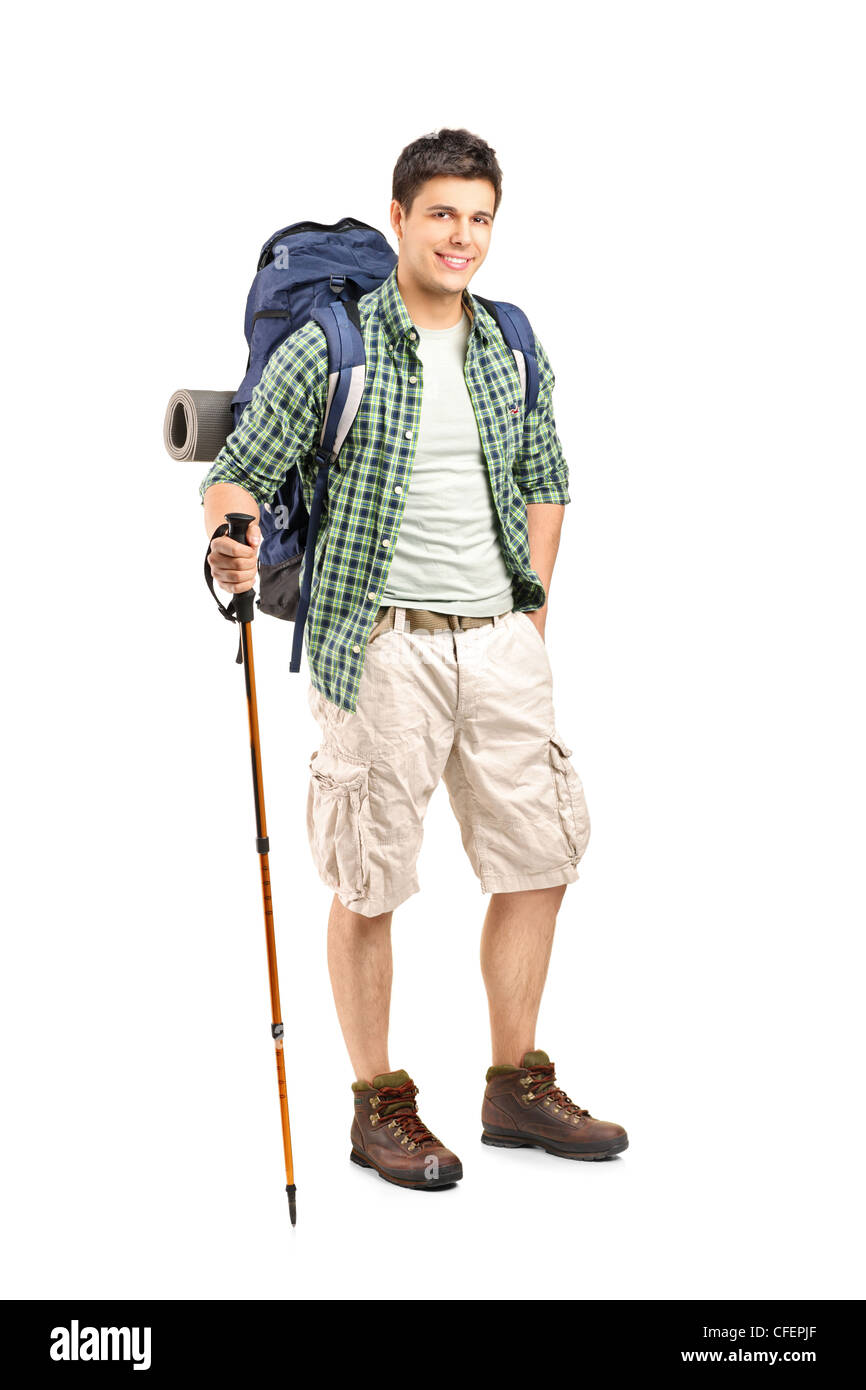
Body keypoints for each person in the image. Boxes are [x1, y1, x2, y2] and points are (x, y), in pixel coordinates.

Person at [200, 127, 628, 1191]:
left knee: (540, 859)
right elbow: (238, 470)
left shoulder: (507, 340)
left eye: (479, 218)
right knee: (370, 874)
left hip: (498, 642)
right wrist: (228, 540)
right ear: (397, 219)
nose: (461, 236)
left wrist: (530, 611)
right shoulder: (332, 346)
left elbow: (546, 473)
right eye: (441, 214)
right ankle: (377, 1102)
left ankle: (512, 1086)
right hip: (378, 645)